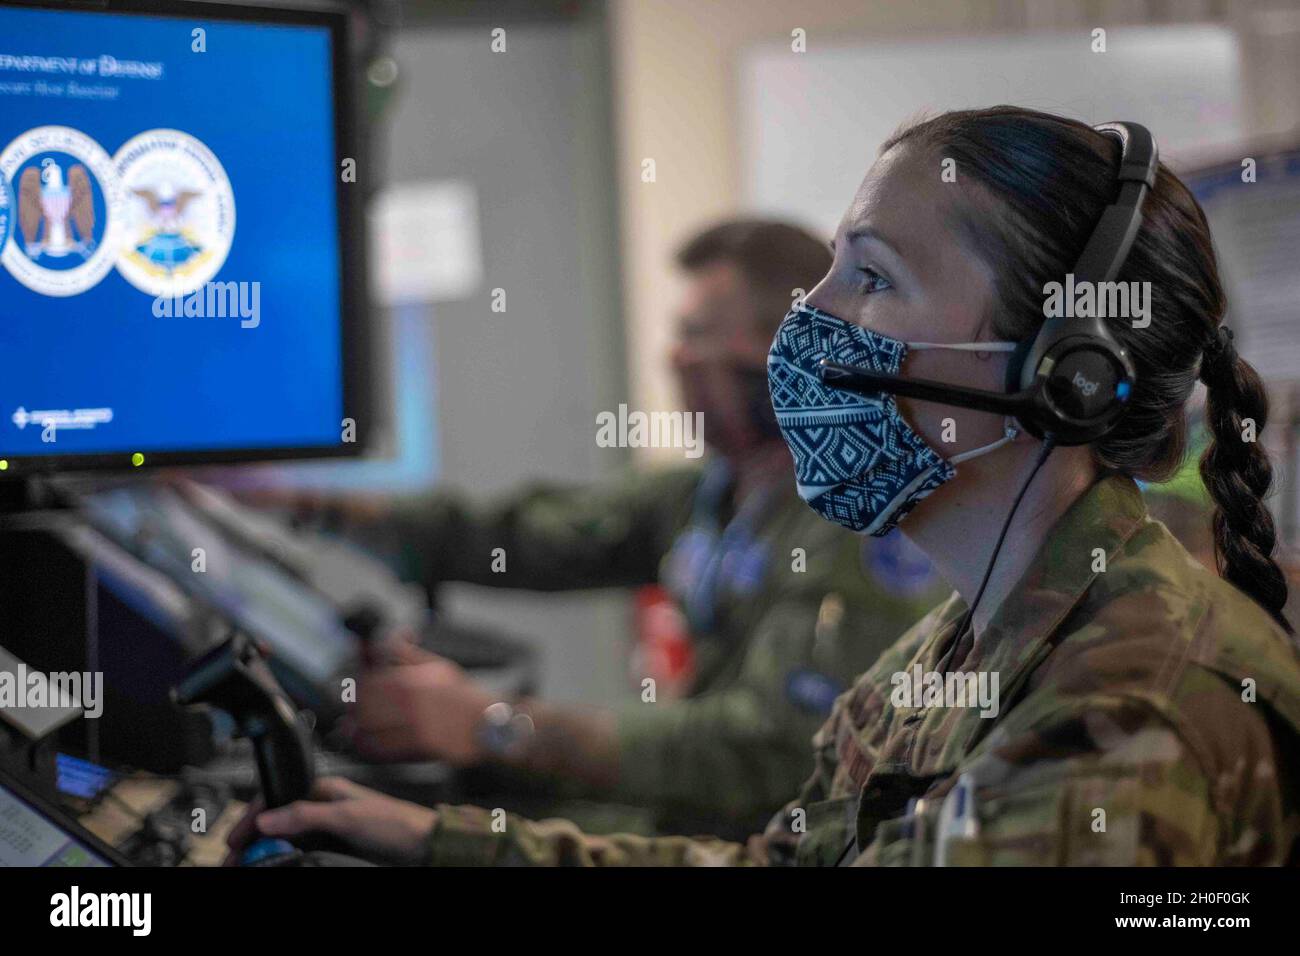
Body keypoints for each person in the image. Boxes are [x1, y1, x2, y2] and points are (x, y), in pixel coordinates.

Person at [228, 106, 1300, 866]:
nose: (809, 321)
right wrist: (433, 841)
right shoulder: (954, 642)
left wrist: (494, 735)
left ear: (1061, 373)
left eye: (871, 277)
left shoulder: (1134, 704)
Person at [262, 219, 948, 841]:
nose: (678, 360)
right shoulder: (712, 492)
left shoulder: (859, 518)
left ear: (788, 353)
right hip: (698, 823)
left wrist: (494, 725)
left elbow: (771, 750)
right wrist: (303, 500)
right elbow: (520, 539)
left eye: (698, 337)